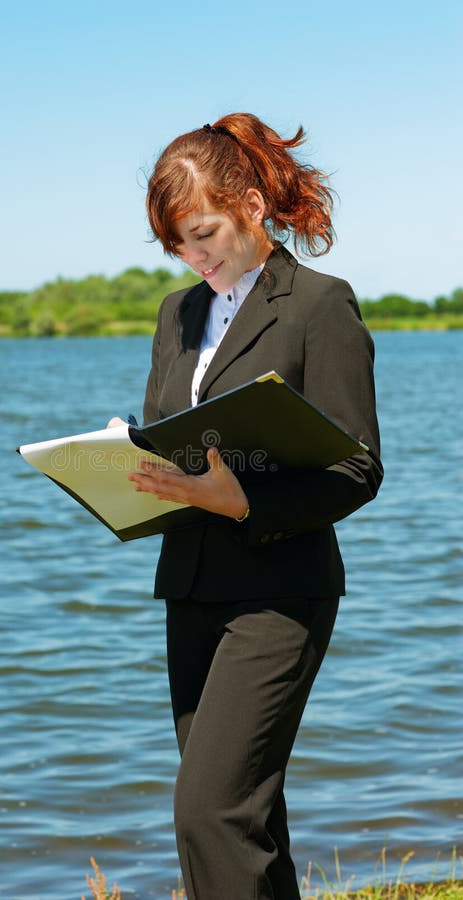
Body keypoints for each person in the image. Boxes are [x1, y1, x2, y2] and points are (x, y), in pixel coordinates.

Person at [118, 113, 383, 899]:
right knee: (246, 819)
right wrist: (125, 473)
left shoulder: (318, 306)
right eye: (176, 245)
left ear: (252, 205)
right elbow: (168, 437)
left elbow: (356, 469)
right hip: (190, 585)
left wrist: (242, 503)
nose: (193, 257)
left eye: (202, 234)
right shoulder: (177, 312)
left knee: (210, 814)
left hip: (279, 593)